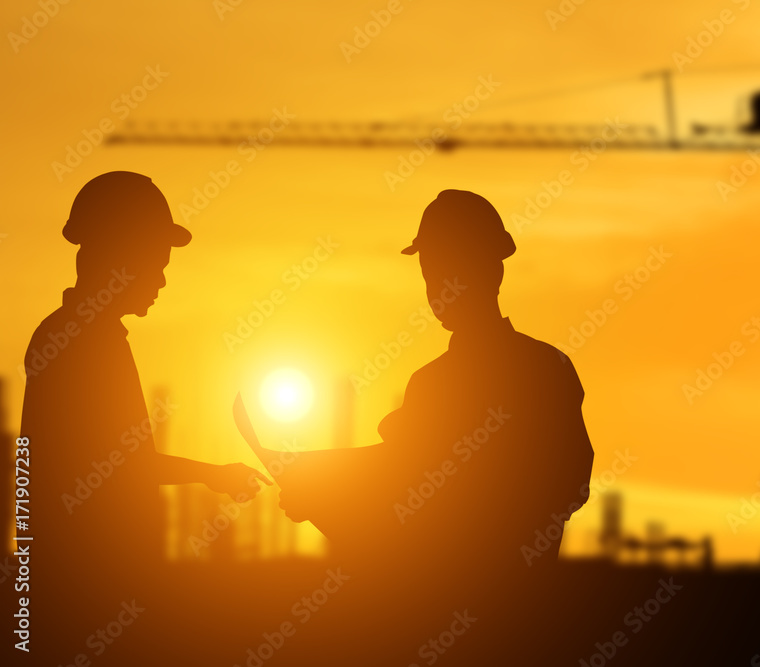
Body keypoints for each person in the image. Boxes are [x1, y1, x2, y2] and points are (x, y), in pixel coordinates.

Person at [275, 190, 595, 663]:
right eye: (433, 276)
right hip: (516, 628)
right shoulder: (543, 369)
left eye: (447, 273)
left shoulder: (456, 384)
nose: (439, 288)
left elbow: (407, 496)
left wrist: (323, 485)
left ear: (490, 270)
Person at [19, 171, 268, 660]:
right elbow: (118, 466)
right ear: (119, 258)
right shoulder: (84, 345)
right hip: (86, 598)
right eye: (154, 262)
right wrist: (213, 475)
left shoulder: (78, 336)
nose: (161, 279)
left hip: (77, 591)